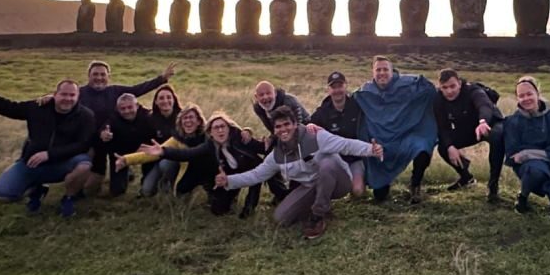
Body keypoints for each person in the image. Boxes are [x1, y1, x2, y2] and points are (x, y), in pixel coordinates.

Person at [218, 106, 383, 239]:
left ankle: (318, 216)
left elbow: (346, 144)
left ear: (295, 124)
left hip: (339, 181)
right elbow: (256, 175)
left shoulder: (315, 136)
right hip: (311, 186)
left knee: (327, 164)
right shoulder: (276, 155)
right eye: (278, 126)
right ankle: (320, 205)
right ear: (274, 130)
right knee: (280, 218)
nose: (283, 129)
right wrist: (229, 181)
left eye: (287, 124)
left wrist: (371, 149)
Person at [0, 67, 94, 218]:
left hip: (64, 163)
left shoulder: (85, 116)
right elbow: (6, 107)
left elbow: (82, 145)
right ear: (55, 95)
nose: (67, 98)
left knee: (84, 164)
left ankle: (68, 198)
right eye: (63, 94)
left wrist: (50, 154)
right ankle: (37, 189)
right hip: (32, 162)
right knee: (2, 194)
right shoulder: (37, 108)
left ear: (78, 97)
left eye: (72, 95)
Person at [137, 112, 266, 218]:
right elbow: (187, 154)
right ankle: (231, 196)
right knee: (218, 211)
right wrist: (163, 151)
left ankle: (249, 208)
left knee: (255, 176)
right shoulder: (210, 145)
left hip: (252, 172)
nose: (220, 130)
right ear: (210, 132)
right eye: (216, 128)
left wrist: (270, 141)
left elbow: (262, 148)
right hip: (229, 178)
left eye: (223, 126)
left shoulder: (240, 137)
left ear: (229, 128)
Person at [80, 60, 176, 194]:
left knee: (117, 190)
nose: (99, 78)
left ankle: (128, 173)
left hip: (118, 141)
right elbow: (63, 97)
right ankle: (85, 179)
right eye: (95, 74)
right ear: (88, 75)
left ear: (109, 76)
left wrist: (161, 79)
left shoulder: (115, 91)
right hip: (93, 141)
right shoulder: (80, 93)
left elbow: (138, 89)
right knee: (91, 188)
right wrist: (49, 98)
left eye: (103, 74)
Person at [354, 55, 437, 204]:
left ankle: (415, 184)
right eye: (378, 70)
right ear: (373, 72)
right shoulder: (365, 92)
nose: (382, 73)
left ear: (392, 71)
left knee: (422, 147)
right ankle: (383, 184)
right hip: (381, 144)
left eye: (385, 69)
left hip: (404, 138)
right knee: (380, 195)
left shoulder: (406, 85)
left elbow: (428, 90)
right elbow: (349, 104)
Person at [500, 76, 550, 214]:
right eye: (521, 96)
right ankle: (523, 197)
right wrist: (537, 156)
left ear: (538, 94)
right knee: (535, 171)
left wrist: (528, 154)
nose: (526, 99)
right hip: (529, 167)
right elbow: (514, 155)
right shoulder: (512, 122)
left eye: (529, 94)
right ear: (517, 98)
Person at [433, 69, 504, 202]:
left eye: (452, 86)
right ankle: (466, 178)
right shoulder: (439, 99)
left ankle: (493, 186)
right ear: (440, 87)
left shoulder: (472, 90)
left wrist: (483, 121)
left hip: (489, 124)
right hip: (469, 129)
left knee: (497, 136)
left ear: (459, 83)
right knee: (443, 146)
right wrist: (449, 146)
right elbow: (442, 127)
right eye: (445, 87)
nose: (449, 91)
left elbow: (484, 105)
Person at [115, 104, 206, 196]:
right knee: (147, 190)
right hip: (183, 170)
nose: (188, 121)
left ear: (199, 121)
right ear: (181, 122)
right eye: (184, 118)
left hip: (200, 170)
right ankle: (167, 185)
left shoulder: (207, 138)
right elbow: (153, 153)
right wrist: (126, 159)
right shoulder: (177, 139)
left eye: (191, 117)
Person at [309, 71, 365, 196]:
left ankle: (360, 181)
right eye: (333, 87)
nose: (337, 90)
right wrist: (310, 125)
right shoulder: (322, 112)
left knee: (358, 192)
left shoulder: (358, 106)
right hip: (335, 159)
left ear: (346, 86)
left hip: (356, 158)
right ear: (329, 90)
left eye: (340, 86)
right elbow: (307, 126)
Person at [101, 94, 155, 197]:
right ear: (117, 109)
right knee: (117, 191)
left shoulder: (148, 116)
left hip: (144, 151)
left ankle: (146, 182)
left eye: (130, 107)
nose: (127, 111)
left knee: (149, 190)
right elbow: (104, 128)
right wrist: (104, 134)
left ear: (137, 106)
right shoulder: (113, 118)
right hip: (120, 155)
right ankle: (127, 174)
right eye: (123, 109)